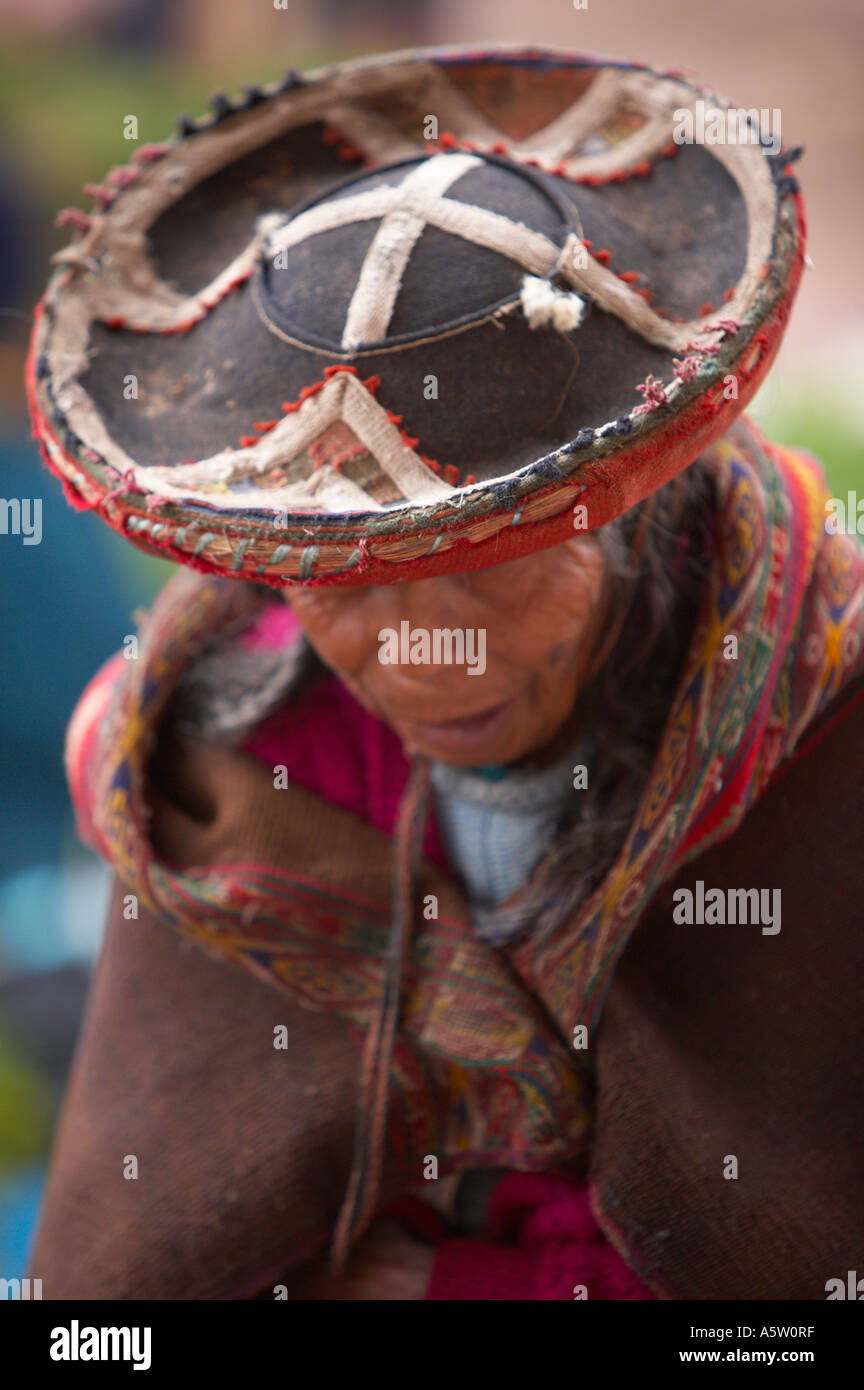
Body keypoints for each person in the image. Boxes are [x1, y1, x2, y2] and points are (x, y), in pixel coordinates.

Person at [26, 45, 864, 1300]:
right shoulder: (240, 755)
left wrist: (450, 1283)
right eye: (345, 581)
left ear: (633, 517)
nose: (426, 647)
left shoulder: (819, 731)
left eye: (498, 562)